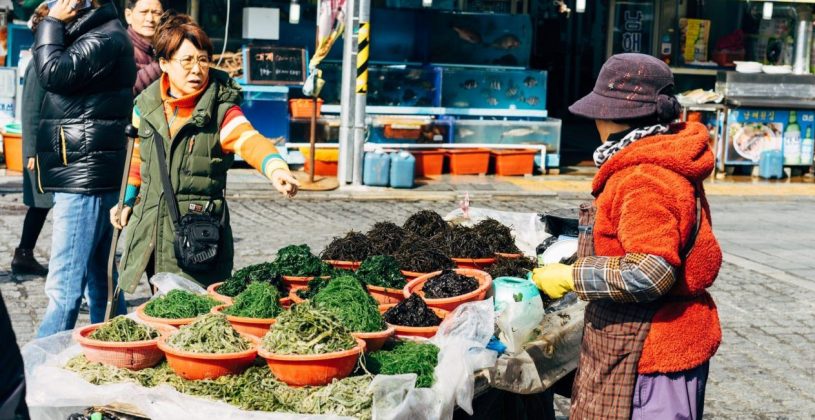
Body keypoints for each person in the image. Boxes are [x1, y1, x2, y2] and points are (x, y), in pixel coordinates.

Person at [531, 53, 722, 420]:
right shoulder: (663, 156)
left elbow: (651, 271)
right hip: (663, 343)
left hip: (652, 355)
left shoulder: (642, 177)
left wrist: (571, 276)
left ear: (611, 116)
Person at [111, 14, 299, 295]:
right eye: (186, 61)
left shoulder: (221, 111)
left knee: (195, 320)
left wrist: (276, 168)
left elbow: (249, 139)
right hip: (151, 232)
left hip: (197, 239)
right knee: (161, 311)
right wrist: (125, 200)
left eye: (202, 60)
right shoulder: (145, 109)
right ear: (164, 63)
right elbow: (138, 160)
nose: (196, 70)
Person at [33, 0, 136, 337]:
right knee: (102, 277)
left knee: (64, 288)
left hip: (84, 175)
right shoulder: (95, 31)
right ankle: (115, 349)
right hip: (86, 168)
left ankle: (38, 369)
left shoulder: (104, 38)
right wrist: (52, 24)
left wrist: (52, 22)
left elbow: (52, 72)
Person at [12, 3, 52, 277]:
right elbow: (30, 109)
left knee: (42, 205)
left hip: (49, 148)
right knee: (41, 203)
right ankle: (23, 253)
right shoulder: (41, 58)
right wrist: (29, 152)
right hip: (41, 149)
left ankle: (23, 253)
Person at [125, 0, 163, 95]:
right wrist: (161, 65)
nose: (150, 19)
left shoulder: (164, 45)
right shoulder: (120, 47)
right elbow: (123, 91)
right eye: (143, 12)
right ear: (128, 15)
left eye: (156, 13)